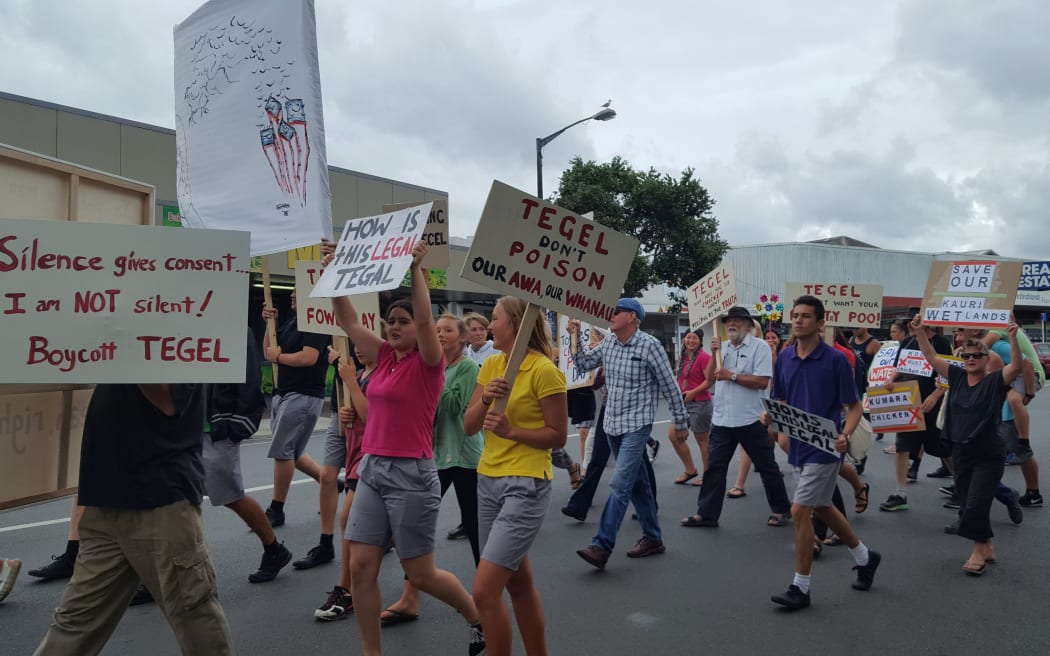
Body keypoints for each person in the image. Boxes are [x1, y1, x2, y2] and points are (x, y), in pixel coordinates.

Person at [330, 242, 485, 656]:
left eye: (402, 321)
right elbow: (345, 318)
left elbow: (422, 313)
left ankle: (476, 618)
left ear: (422, 330)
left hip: (412, 474)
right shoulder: (383, 358)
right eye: (388, 322)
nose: (393, 327)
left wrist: (416, 270)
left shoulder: (429, 364)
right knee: (361, 568)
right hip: (372, 469)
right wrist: (334, 274)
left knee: (419, 573)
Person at [33, 383, 234, 654]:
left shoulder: (182, 345)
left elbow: (169, 402)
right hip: (104, 500)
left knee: (195, 616)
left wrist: (121, 356)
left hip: (161, 502)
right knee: (74, 622)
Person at [463, 296, 567, 656]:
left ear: (518, 324)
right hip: (488, 481)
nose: (488, 327)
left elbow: (557, 436)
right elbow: (468, 425)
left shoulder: (544, 370)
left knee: (484, 591)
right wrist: (486, 399)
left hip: (526, 484)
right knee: (518, 584)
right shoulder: (491, 364)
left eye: (494, 320)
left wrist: (511, 431)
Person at [768, 295, 880, 610]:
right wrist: (772, 418)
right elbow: (781, 401)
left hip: (827, 448)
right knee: (823, 507)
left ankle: (800, 588)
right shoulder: (785, 358)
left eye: (805, 316)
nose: (798, 320)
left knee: (800, 510)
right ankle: (866, 557)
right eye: (795, 315)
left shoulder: (835, 360)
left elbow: (854, 406)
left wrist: (844, 434)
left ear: (820, 324)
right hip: (799, 446)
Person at [381, 314, 484, 624]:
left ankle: (484, 594)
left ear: (462, 337)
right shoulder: (427, 364)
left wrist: (432, 380)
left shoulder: (466, 367)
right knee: (416, 525)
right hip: (434, 454)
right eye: (436, 330)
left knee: (476, 526)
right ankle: (410, 598)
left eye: (447, 331)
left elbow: (454, 407)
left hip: (464, 456)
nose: (440, 335)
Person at [571, 298, 689, 570]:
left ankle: (601, 545)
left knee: (620, 484)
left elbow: (670, 387)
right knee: (639, 484)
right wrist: (575, 336)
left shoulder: (650, 345)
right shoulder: (609, 341)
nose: (609, 315)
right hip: (611, 424)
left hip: (637, 426)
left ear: (633, 317)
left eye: (616, 312)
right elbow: (583, 364)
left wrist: (681, 422)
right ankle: (653, 538)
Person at [912, 315, 1022, 575]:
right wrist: (918, 332)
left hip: (988, 453)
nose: (970, 359)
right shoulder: (957, 376)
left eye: (976, 355)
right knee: (967, 502)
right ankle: (988, 544)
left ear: (987, 359)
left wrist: (1014, 337)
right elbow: (930, 356)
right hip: (961, 450)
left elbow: (1016, 366)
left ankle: (977, 551)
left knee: (976, 502)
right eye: (966, 356)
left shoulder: (996, 381)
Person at [680, 307, 791, 529]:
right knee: (714, 469)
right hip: (723, 419)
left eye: (738, 321)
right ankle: (707, 514)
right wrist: (714, 355)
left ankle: (781, 509)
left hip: (750, 418)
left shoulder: (760, 347)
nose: (732, 324)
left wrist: (731, 376)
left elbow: (761, 381)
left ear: (749, 326)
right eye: (729, 321)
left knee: (767, 466)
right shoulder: (724, 348)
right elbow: (710, 378)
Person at [203, 326, 293, 583]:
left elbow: (248, 377)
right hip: (183, 426)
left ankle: (273, 548)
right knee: (174, 500)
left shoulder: (234, 326)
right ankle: (159, 572)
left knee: (231, 496)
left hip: (216, 427)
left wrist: (238, 423)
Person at [261, 289, 331, 528]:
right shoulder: (292, 322)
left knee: (283, 452)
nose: (292, 295)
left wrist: (279, 358)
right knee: (294, 453)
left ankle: (276, 509)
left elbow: (307, 358)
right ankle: (329, 481)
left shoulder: (316, 324)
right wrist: (269, 323)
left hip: (303, 394)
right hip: (284, 393)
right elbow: (269, 351)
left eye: (297, 292)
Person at [315, 346, 375, 622]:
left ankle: (473, 615)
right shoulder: (360, 374)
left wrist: (350, 382)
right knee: (350, 523)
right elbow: (356, 416)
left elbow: (374, 417)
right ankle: (348, 590)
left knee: (348, 519)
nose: (358, 350)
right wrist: (346, 415)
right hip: (356, 457)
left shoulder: (381, 376)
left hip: (378, 458)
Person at [879, 319, 953, 511]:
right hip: (909, 400)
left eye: (917, 322)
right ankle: (900, 493)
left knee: (940, 447)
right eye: (911, 323)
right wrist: (891, 379)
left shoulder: (942, 343)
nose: (913, 326)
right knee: (902, 445)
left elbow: (949, 373)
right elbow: (900, 368)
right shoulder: (907, 342)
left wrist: (936, 396)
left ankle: (963, 486)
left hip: (931, 402)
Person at [670, 328, 713, 485]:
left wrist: (693, 392)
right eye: (688, 337)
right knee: (673, 436)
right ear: (684, 339)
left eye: (695, 338)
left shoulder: (704, 357)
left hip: (700, 403)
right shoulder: (682, 357)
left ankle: (708, 475)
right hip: (682, 402)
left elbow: (709, 381)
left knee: (702, 440)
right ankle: (690, 470)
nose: (691, 340)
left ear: (700, 341)